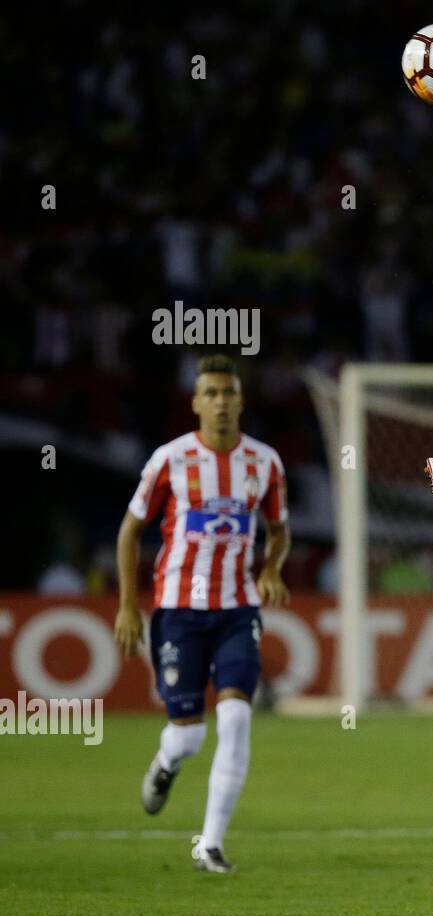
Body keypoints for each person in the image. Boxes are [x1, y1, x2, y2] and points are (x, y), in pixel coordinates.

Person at [113, 354, 291, 873]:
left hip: (238, 609)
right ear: (195, 403)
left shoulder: (265, 463)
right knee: (188, 734)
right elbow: (130, 531)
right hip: (179, 610)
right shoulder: (169, 459)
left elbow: (278, 530)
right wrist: (127, 604)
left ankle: (209, 845)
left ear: (241, 401)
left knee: (236, 716)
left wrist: (273, 568)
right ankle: (167, 763)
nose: (220, 403)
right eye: (210, 394)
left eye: (228, 393)